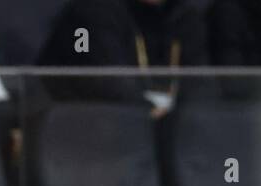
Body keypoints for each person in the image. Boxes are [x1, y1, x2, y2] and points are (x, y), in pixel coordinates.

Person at [37, 0, 208, 113]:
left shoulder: (184, 18)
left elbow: (203, 91)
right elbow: (111, 88)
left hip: (160, 147)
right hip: (87, 143)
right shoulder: (93, 10)